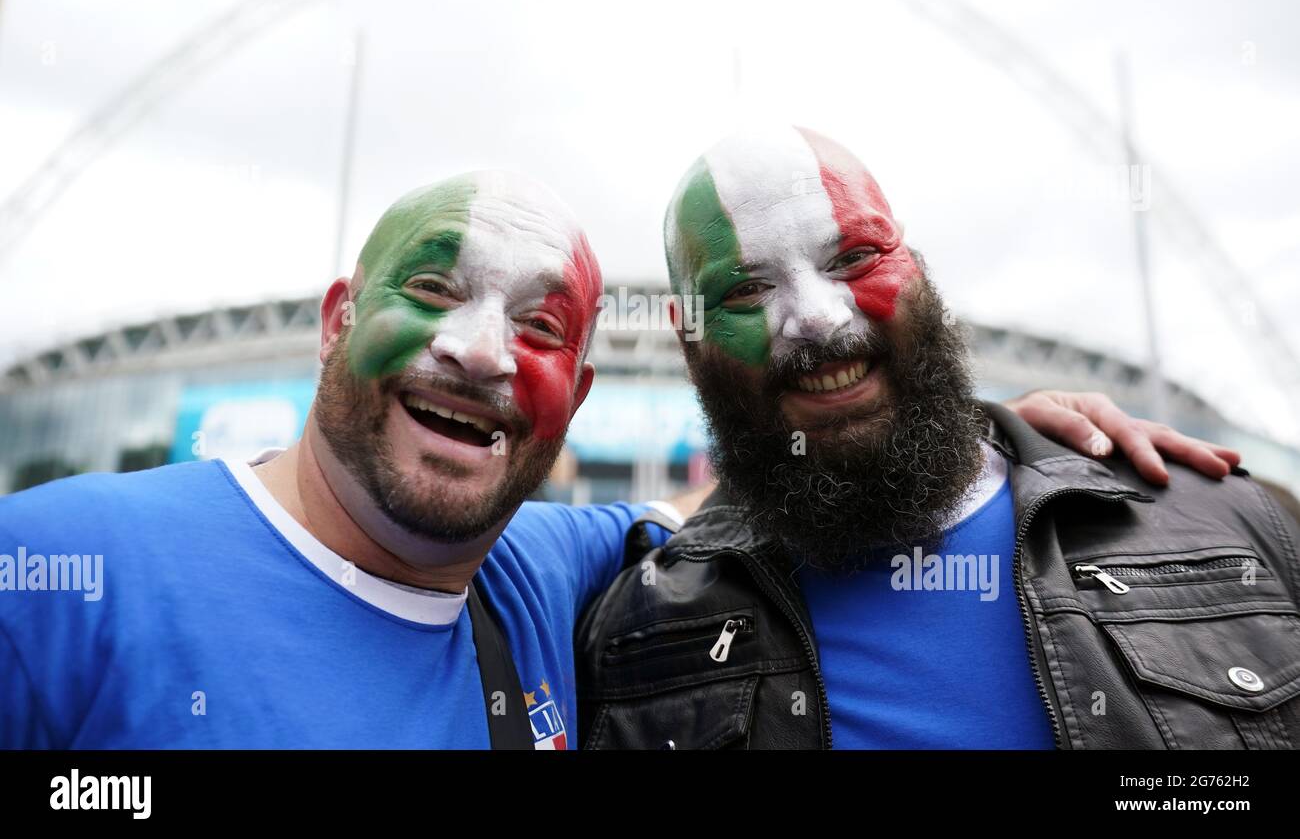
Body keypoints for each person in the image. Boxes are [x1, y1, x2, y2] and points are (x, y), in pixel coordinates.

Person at [0, 168, 1239, 749]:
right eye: (434, 292)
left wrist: (991, 427)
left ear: (575, 398)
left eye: (539, 329)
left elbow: (803, 482)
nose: (482, 351)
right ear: (337, 319)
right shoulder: (61, 566)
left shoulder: (582, 578)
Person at [576, 125, 1299, 750]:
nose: (821, 320)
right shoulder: (638, 627)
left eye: (854, 257)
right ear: (688, 336)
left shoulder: (1225, 522)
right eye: (746, 290)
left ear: (915, 268)